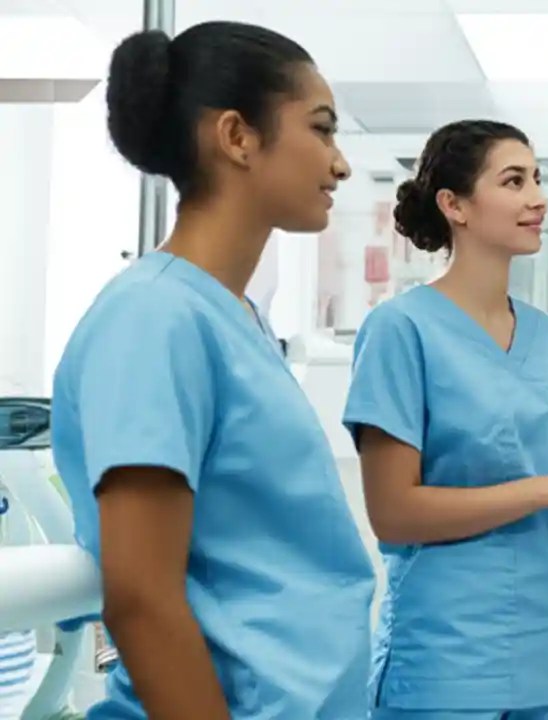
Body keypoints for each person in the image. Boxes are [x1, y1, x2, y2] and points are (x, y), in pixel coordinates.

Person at [50, 22, 375, 719]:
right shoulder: (153, 318)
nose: (340, 164)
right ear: (237, 136)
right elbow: (140, 597)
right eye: (321, 130)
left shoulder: (232, 320)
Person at [342, 119, 548, 720]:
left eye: (537, 178)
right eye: (513, 180)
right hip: (445, 659)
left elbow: (528, 508)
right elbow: (394, 514)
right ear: (455, 206)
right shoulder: (401, 331)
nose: (537, 197)